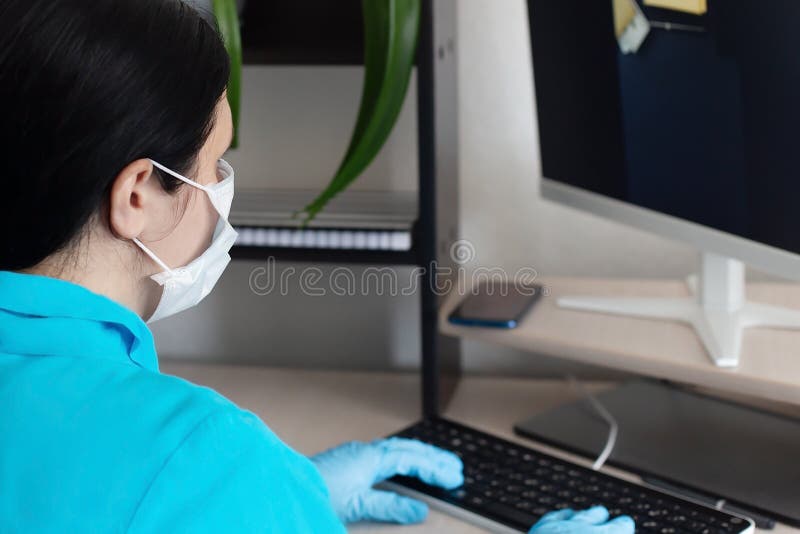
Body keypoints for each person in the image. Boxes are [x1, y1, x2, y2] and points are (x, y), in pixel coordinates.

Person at [0, 1, 634, 532]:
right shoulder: (204, 452)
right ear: (137, 195)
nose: (223, 188)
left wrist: (288, 495)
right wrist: (246, 491)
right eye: (214, 163)